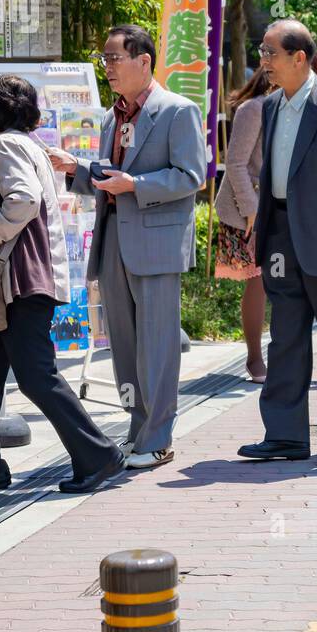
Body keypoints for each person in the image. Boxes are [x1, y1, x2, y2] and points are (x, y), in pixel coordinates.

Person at [48, 25, 206, 471]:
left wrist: (136, 184)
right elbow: (108, 176)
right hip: (113, 236)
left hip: (156, 243)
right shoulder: (109, 117)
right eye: (105, 60)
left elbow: (191, 176)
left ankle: (158, 439)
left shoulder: (178, 111)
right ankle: (137, 431)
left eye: (114, 59)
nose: (108, 68)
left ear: (144, 61)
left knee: (157, 346)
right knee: (123, 345)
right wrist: (75, 168)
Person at [0, 75, 123, 495]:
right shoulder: (30, 144)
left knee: (35, 375)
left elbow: (23, 200)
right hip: (28, 277)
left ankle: (99, 454)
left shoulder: (6, 144)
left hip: (21, 279)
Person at [237, 20, 317, 463]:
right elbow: (268, 177)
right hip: (282, 233)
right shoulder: (268, 107)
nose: (263, 62)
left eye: (270, 53)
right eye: (262, 52)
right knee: (285, 336)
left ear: (299, 58)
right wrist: (261, 231)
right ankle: (285, 435)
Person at [214, 66, 270, 383]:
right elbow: (235, 162)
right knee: (258, 280)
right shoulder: (255, 108)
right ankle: (254, 359)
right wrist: (252, 211)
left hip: (280, 206)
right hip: (247, 206)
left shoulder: (295, 107)